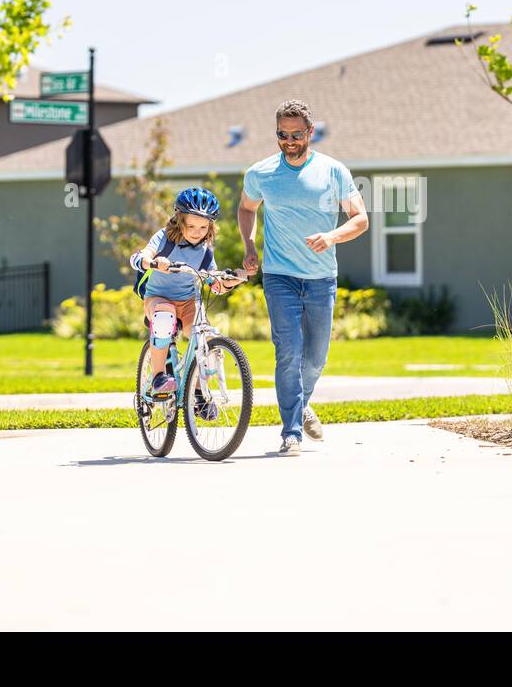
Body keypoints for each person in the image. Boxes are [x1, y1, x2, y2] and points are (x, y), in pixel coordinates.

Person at [238, 100, 369, 456]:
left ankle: (302, 402)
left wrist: (332, 237)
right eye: (283, 134)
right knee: (289, 352)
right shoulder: (261, 173)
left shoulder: (333, 171)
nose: (290, 141)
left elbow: (360, 219)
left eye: (297, 134)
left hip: (320, 277)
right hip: (279, 276)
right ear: (276, 133)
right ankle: (291, 432)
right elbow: (247, 208)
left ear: (310, 132)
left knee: (315, 357)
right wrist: (249, 246)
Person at [130, 187, 243, 399]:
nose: (196, 232)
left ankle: (199, 394)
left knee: (206, 338)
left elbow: (213, 283)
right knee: (164, 315)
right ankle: (158, 378)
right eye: (191, 225)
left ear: (210, 226)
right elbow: (140, 257)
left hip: (189, 303)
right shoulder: (164, 238)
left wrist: (230, 280)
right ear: (179, 220)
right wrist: (153, 261)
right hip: (158, 298)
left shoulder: (205, 250)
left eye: (203, 226)